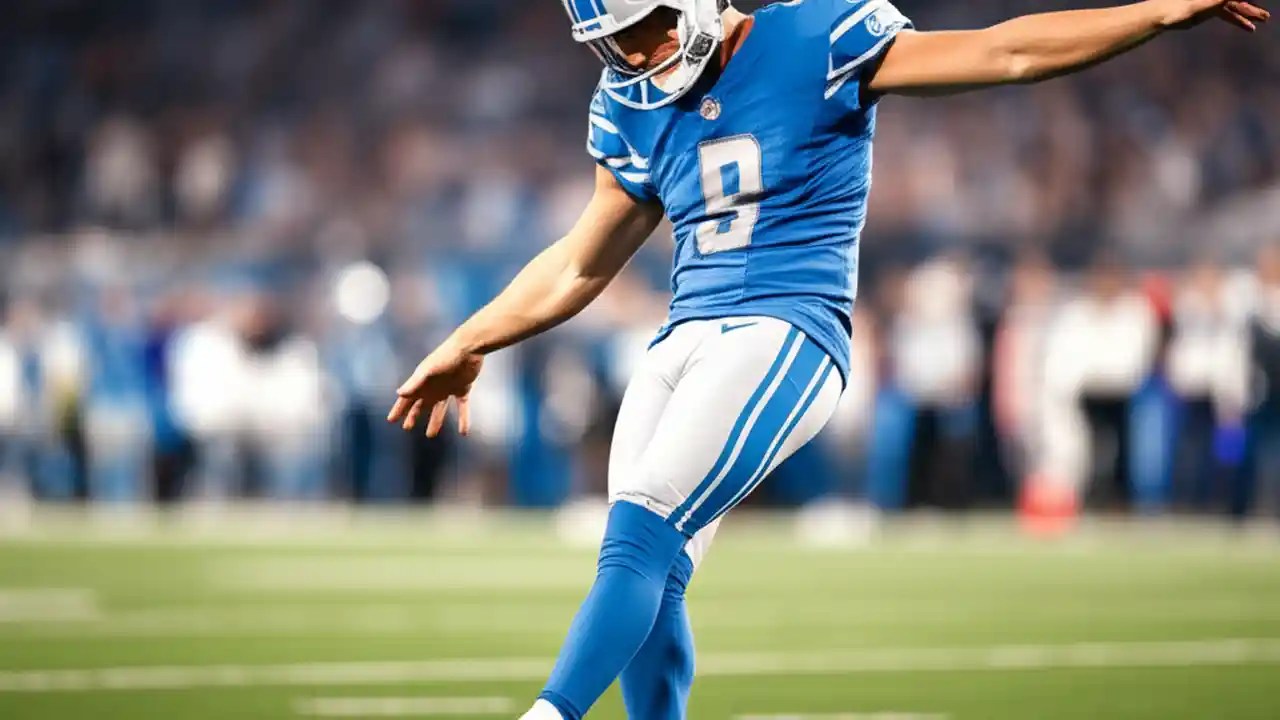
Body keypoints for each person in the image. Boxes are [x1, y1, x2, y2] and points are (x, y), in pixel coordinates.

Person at [386, 0, 1270, 717]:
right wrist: (468, 340)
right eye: (612, 43)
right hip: (680, 340)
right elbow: (581, 260)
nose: (634, 55)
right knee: (653, 575)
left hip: (785, 329)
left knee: (639, 536)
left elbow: (1005, 53)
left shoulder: (819, 35)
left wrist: (1152, 13)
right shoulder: (626, 105)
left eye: (642, 28)